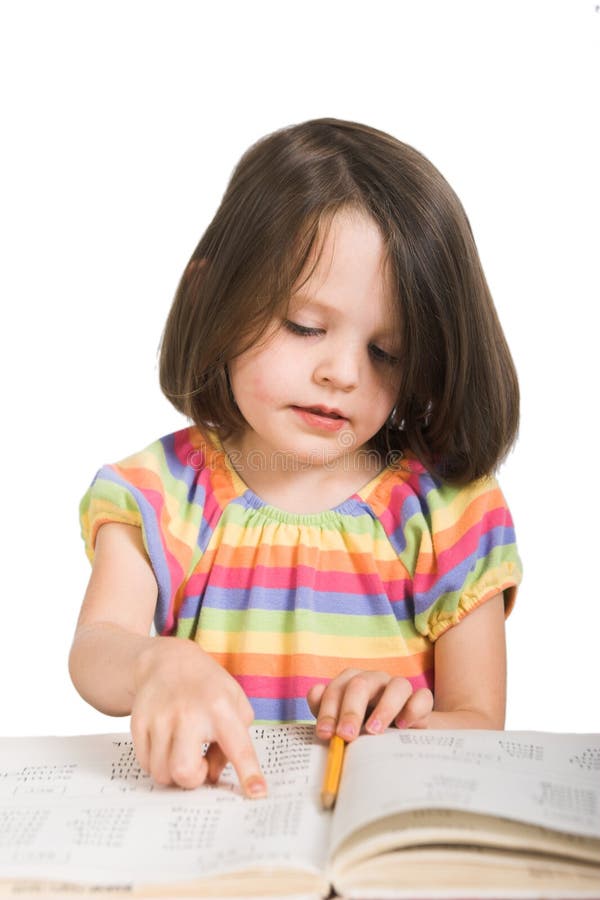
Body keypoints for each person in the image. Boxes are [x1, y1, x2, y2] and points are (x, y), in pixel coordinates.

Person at [70, 118, 522, 800]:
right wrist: (155, 663)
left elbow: (481, 722)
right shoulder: (159, 493)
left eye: (385, 352)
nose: (342, 372)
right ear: (211, 298)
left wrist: (397, 721)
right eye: (306, 327)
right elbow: (96, 648)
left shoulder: (451, 511)